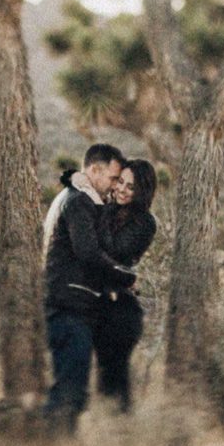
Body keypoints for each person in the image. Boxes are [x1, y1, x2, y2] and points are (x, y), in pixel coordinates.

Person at [41, 143, 132, 433]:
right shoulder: (78, 201)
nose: (115, 185)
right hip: (69, 306)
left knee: (73, 388)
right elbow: (88, 253)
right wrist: (124, 276)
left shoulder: (78, 199)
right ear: (94, 170)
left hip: (72, 304)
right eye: (113, 178)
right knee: (70, 391)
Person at [92, 158, 158, 412]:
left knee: (115, 379)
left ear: (141, 191)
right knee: (105, 378)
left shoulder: (144, 222)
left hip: (122, 311)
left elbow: (116, 250)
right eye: (120, 181)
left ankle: (122, 434)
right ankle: (111, 434)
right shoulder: (110, 212)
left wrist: (103, 211)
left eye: (130, 187)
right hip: (102, 305)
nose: (121, 189)